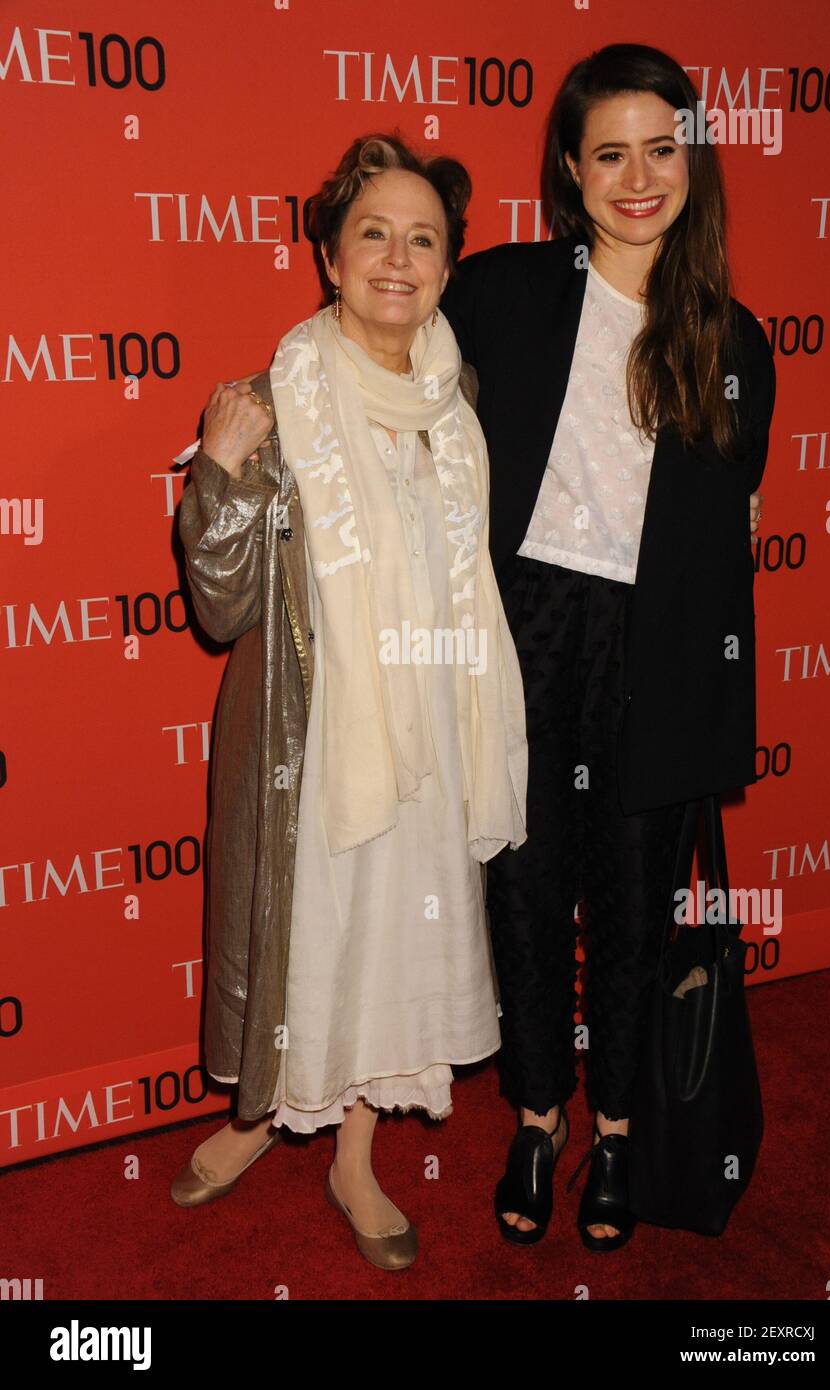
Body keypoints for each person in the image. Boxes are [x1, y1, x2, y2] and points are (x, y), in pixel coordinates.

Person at [439, 42, 776, 1251]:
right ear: (571, 171)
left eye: (661, 148)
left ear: (693, 158)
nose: (640, 177)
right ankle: (537, 1113)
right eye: (610, 153)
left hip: (657, 641)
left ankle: (620, 1130)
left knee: (635, 901)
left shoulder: (733, 342)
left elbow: (726, 536)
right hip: (525, 617)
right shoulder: (502, 291)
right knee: (523, 890)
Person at [172, 134, 527, 1271]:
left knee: (387, 949)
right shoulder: (275, 401)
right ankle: (255, 1119)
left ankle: (352, 1154)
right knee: (308, 937)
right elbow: (222, 612)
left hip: (425, 730)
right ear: (329, 256)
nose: (397, 257)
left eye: (423, 238)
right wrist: (220, 476)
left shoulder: (458, 397)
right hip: (313, 738)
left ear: (445, 265)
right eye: (372, 232)